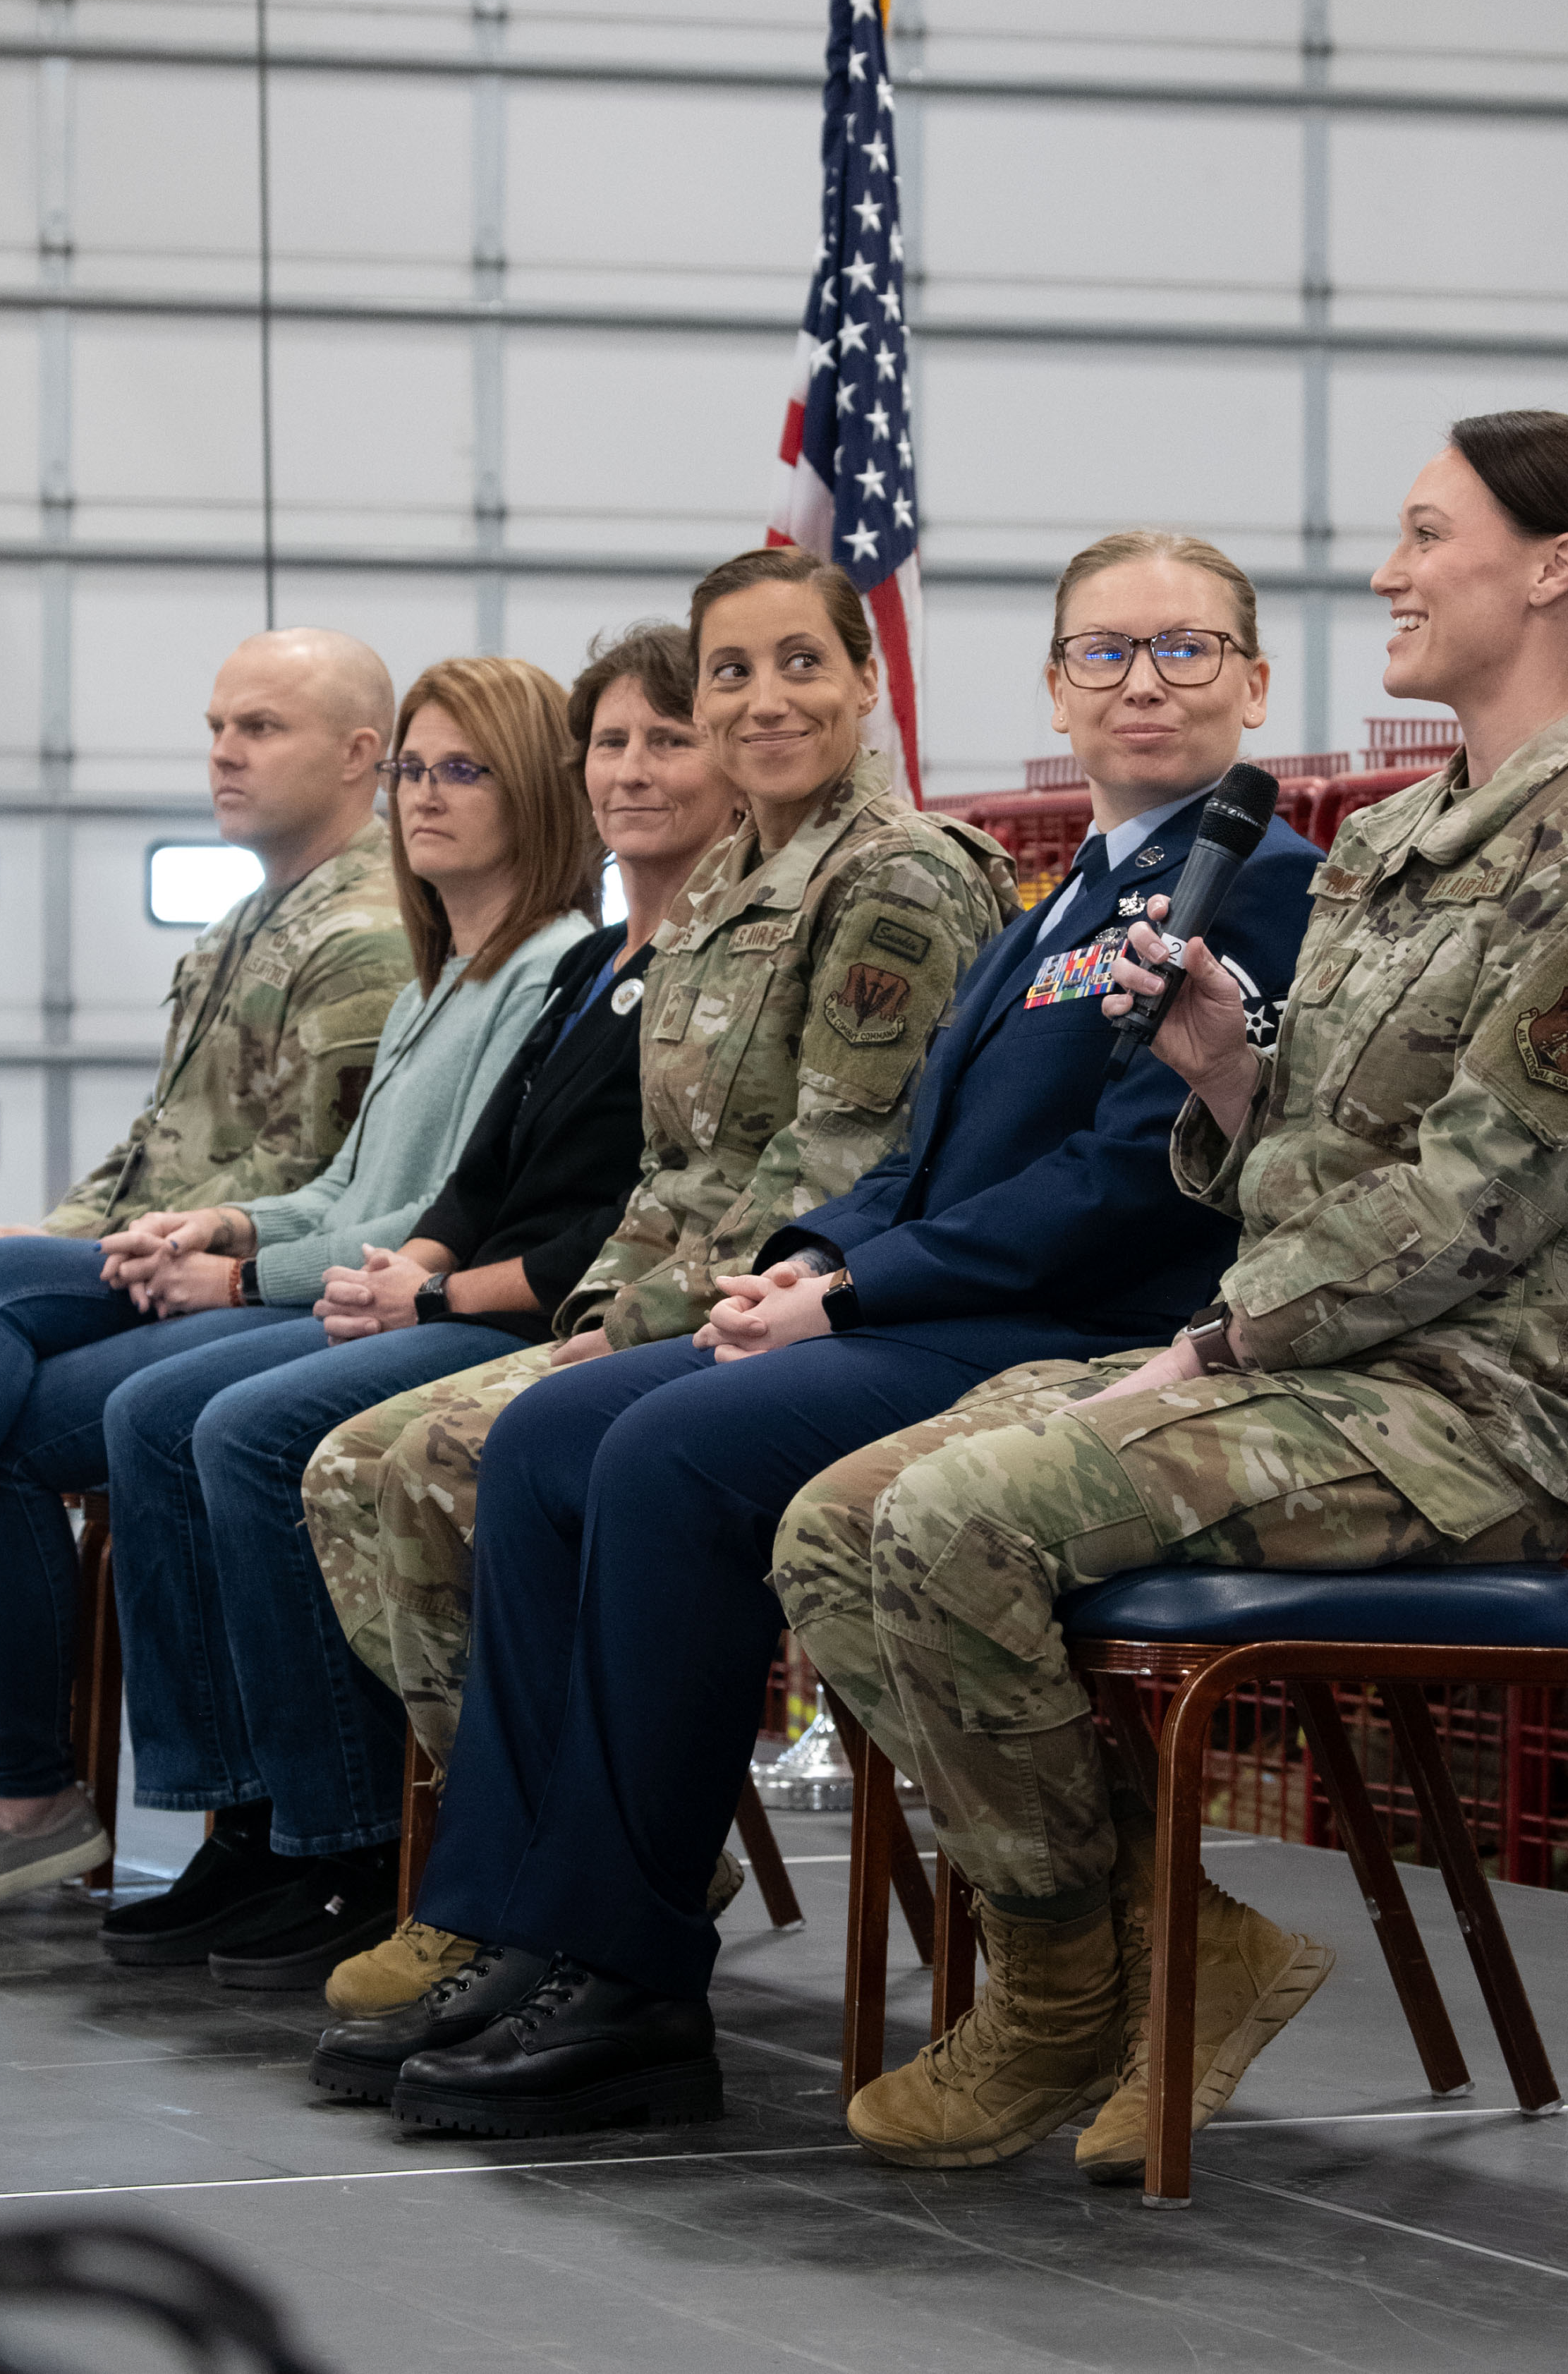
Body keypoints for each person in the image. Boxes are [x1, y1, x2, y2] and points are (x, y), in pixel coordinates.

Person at [773, 409, 1568, 2183]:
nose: (1388, 570)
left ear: (1553, 569)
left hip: (1456, 1412)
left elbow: (1472, 1205)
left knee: (953, 1517)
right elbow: (1314, 1145)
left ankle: (1066, 1987)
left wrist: (1218, 1342)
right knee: (832, 1524)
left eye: (1424, 533)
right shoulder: (1389, 842)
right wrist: (1232, 1072)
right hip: (1305, 1364)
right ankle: (1150, 1955)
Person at [326, 531, 1320, 2132]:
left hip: (1064, 1333)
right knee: (551, 1435)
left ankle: (634, 1977)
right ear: (1055, 689)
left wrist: (858, 1289)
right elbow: (916, 1155)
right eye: (1108, 652)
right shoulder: (1074, 883)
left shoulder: (1257, 883)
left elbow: (1128, 1183)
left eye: (1186, 650)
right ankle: (526, 1909)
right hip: (940, 1296)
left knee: (666, 1454)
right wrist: (802, 1263)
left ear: (1255, 682)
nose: (1144, 681)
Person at [0, 655, 600, 1922]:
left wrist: (235, 1267)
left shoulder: (535, 970)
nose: (424, 796)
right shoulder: (443, 969)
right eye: (418, 770)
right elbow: (328, 1180)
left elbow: (428, 1220)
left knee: (87, 1360)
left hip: (360, 1302)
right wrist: (220, 1222)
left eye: (456, 770)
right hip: (300, 1268)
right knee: (12, 1419)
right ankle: (17, 1787)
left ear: (531, 787)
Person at [298, 542, 1016, 2030]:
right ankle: (513, 1890)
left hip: (835, 1305)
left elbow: (832, 1166)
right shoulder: (727, 890)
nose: (761, 700)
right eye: (731, 673)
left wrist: (631, 1327)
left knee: (474, 1443)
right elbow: (669, 1177)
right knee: (414, 1446)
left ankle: (571, 1902)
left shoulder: (891, 879)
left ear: (867, 681)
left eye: (799, 663)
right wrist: (595, 1320)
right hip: (695, 1298)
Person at [75, 625, 739, 1988]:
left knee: (245, 1430)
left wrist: (359, 1274)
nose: (425, 797)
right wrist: (338, 1253)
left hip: (545, 1314)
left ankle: (351, 1840)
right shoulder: (583, 967)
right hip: (458, 1290)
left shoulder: (642, 966)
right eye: (611, 739)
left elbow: (597, 1223)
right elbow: (466, 1179)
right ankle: (246, 1822)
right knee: (155, 1408)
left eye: (465, 770)